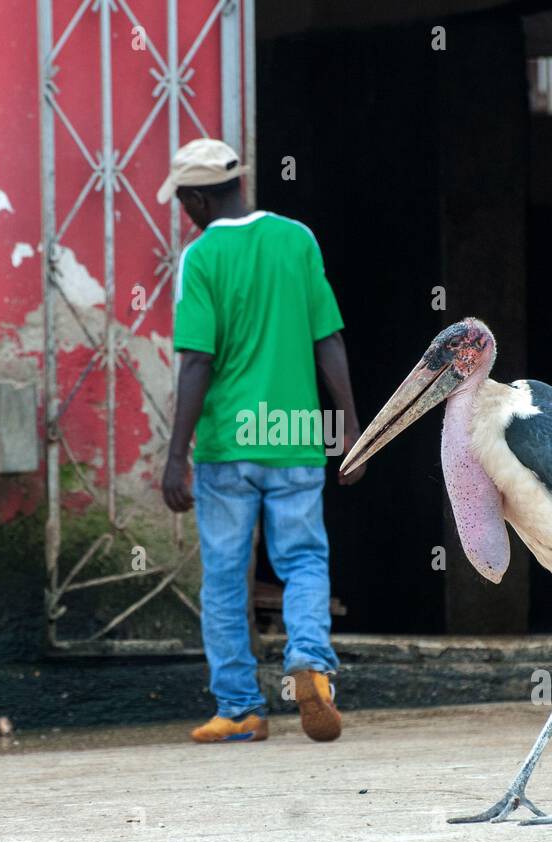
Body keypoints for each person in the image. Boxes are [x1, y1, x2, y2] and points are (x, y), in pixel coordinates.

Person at [157, 138, 366, 744]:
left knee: (225, 575)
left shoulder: (200, 259)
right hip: (296, 435)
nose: (184, 212)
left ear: (197, 198)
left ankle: (241, 708)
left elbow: (197, 362)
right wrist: (351, 423)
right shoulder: (298, 239)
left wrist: (176, 457)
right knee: (303, 558)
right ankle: (311, 665)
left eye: (183, 202)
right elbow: (328, 338)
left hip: (229, 444)